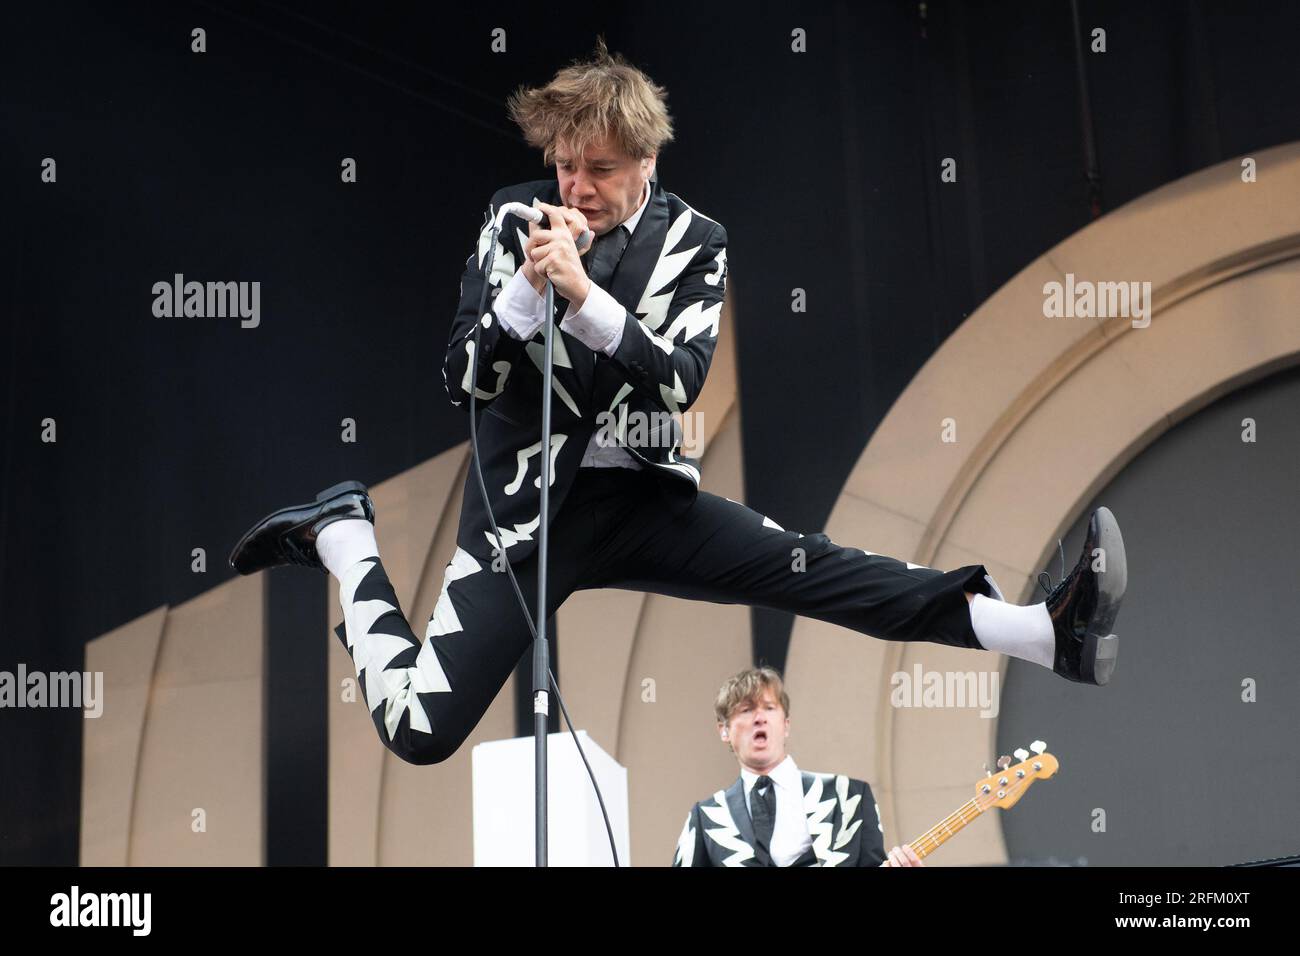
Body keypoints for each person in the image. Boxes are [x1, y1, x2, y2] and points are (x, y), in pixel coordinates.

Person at [228, 39, 1128, 769]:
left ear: (648, 160)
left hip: (642, 499)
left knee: (814, 569)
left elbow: (675, 384)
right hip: (523, 518)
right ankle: (345, 541)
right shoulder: (511, 221)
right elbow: (463, 380)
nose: (574, 189)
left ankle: (1043, 633)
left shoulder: (696, 243)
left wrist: (583, 298)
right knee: (420, 731)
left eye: (599, 170)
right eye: (564, 167)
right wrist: (521, 302)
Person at [673, 667, 921, 867]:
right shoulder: (706, 816)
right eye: (746, 710)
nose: (760, 717)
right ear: (724, 730)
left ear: (786, 724)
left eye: (769, 708)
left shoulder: (849, 796)